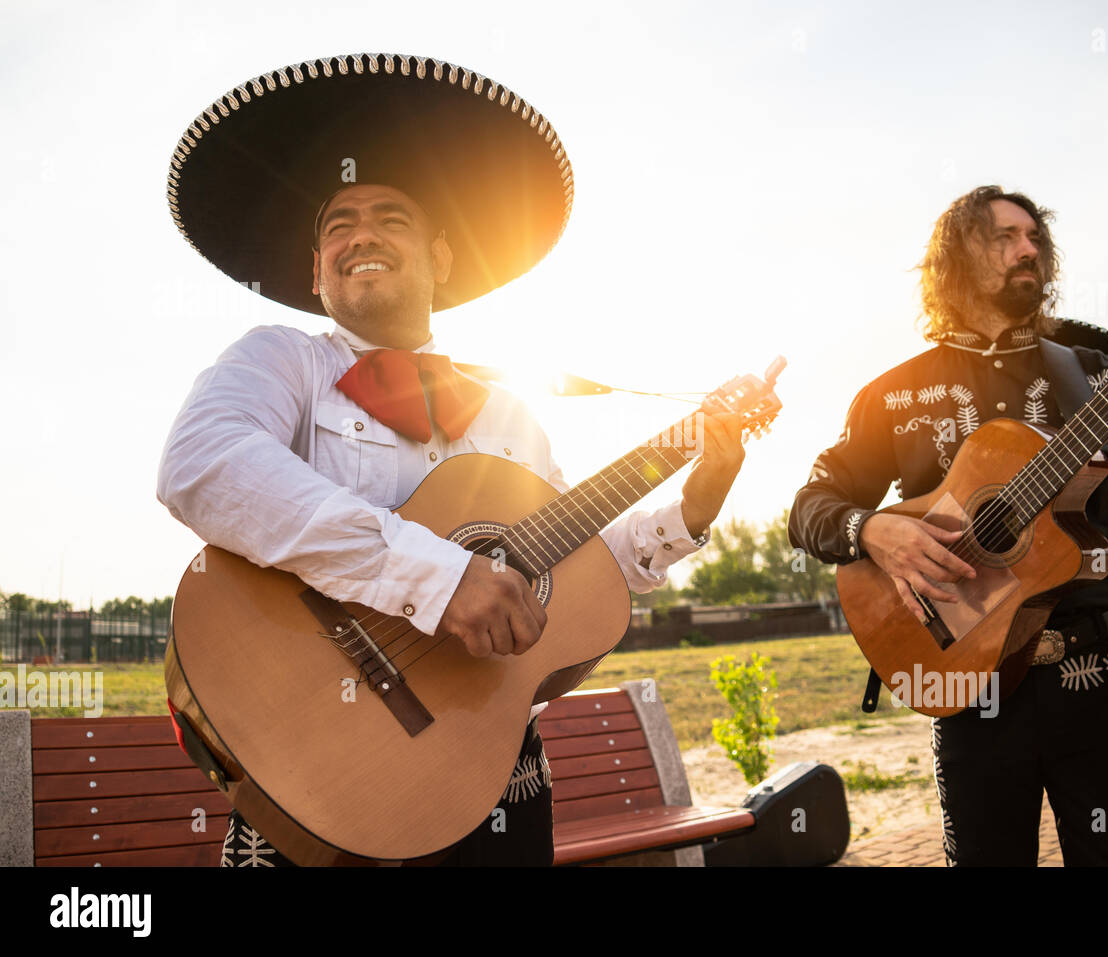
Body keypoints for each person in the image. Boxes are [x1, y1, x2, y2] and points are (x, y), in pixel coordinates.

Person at [156, 54, 745, 866]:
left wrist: (693, 505)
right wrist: (438, 576)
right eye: (338, 224)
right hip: (321, 775)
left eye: (390, 217)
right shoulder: (281, 360)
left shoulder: (507, 407)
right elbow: (203, 463)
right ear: (315, 271)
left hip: (493, 777)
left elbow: (575, 559)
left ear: (440, 258)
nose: (360, 233)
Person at [787, 185, 1108, 866]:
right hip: (963, 678)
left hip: (1096, 674)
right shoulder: (891, 396)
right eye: (1005, 237)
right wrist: (873, 531)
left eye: (1034, 238)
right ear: (957, 258)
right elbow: (810, 506)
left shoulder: (1098, 374)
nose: (1028, 250)